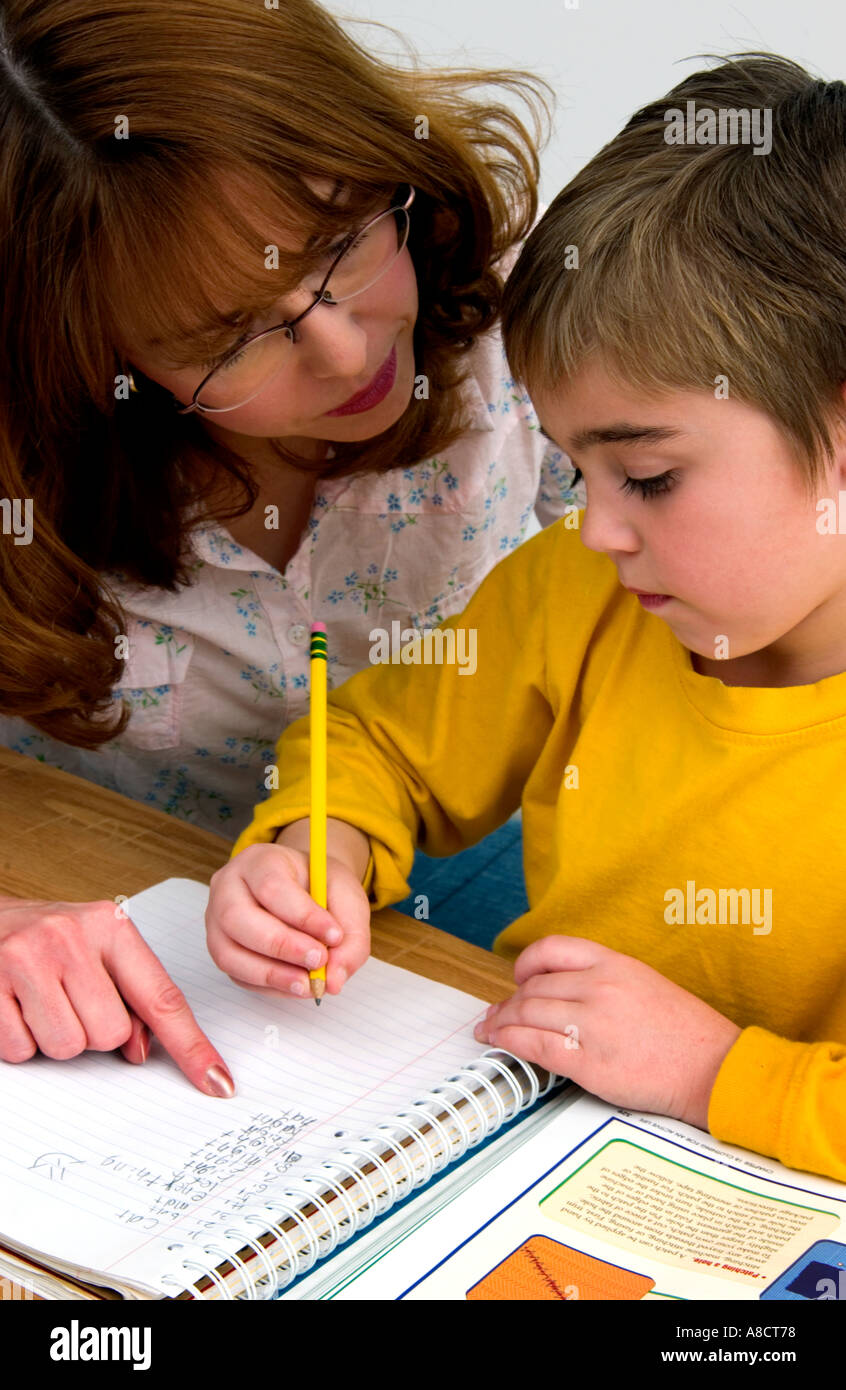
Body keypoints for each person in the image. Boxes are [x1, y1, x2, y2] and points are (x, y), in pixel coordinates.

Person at [209, 53, 846, 1182]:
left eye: (646, 477)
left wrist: (713, 1071)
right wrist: (323, 841)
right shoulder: (580, 587)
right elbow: (376, 743)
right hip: (526, 1159)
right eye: (573, 468)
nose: (595, 527)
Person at [0, 0, 578, 1091]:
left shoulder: (546, 335)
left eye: (341, 240)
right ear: (86, 352)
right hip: (125, 995)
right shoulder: (32, 476)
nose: (347, 343)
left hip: (479, 943)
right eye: (226, 337)